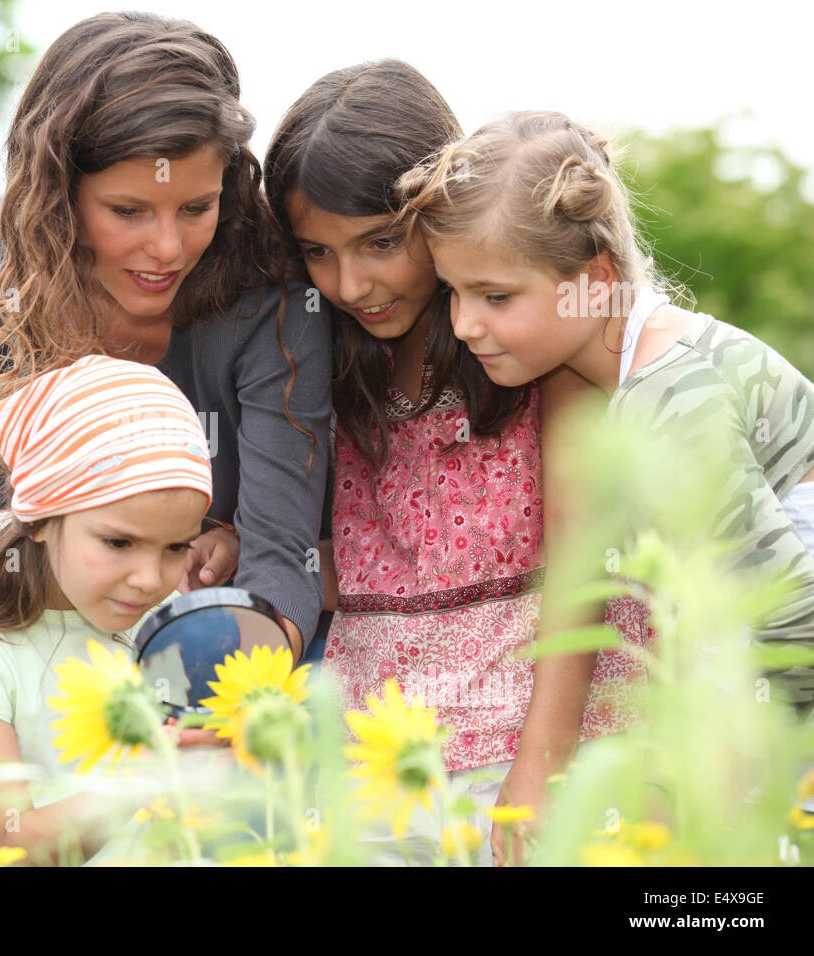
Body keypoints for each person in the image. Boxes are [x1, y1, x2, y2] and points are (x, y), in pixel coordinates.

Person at [264, 65, 649, 865]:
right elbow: (399, 565)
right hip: (380, 753)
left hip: (526, 737)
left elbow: (584, 563)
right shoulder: (329, 356)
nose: (351, 283)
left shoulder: (530, 346)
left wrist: (541, 766)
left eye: (381, 242)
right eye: (317, 253)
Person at [399, 107, 814, 844]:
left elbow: (788, 623)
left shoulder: (668, 397)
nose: (463, 324)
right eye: (452, 294)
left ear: (592, 281)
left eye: (495, 296)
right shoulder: (627, 369)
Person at [0, 11, 332, 659]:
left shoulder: (272, 292)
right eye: (128, 211)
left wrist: (230, 703)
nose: (168, 249)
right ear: (57, 193)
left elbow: (283, 556)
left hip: (239, 642)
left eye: (197, 207)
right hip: (61, 639)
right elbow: (3, 530)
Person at [0, 355, 214, 866]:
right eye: (119, 542)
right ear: (42, 519)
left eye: (176, 548)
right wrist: (150, 776)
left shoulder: (163, 626)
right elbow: (12, 847)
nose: (149, 578)